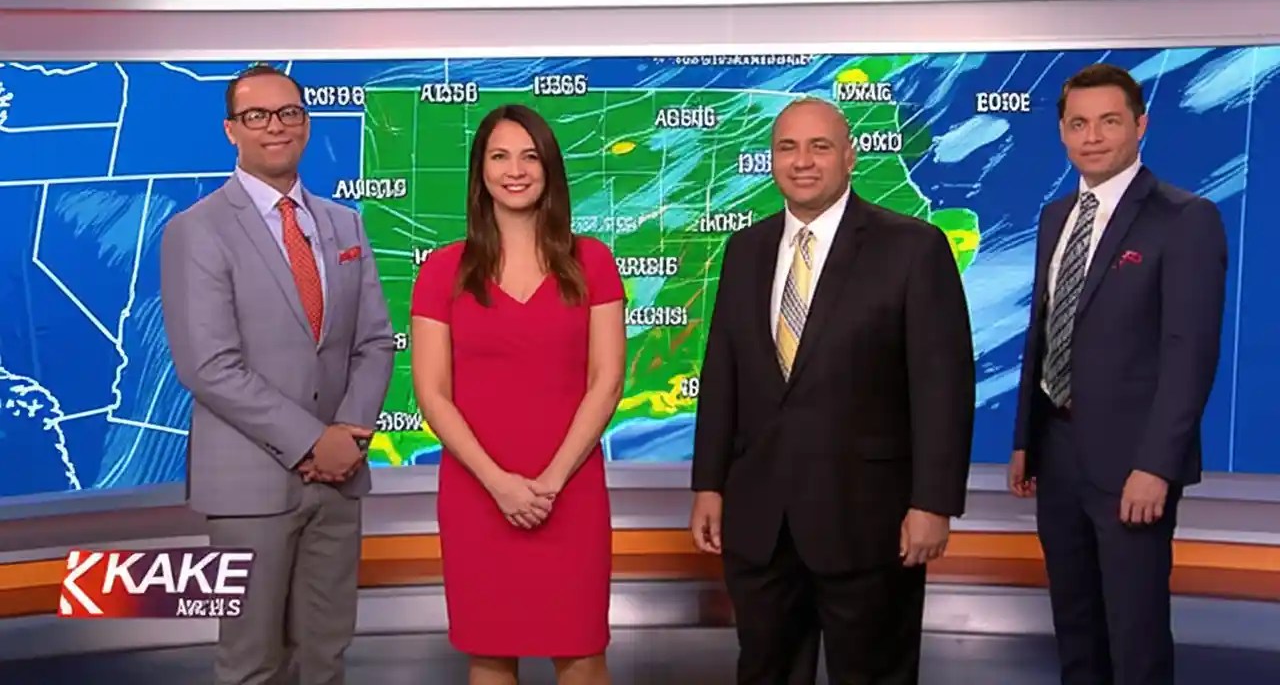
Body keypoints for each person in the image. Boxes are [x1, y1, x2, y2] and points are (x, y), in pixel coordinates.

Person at [689, 96, 976, 684]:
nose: (802, 161)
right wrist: (708, 484)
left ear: (849, 157)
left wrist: (933, 503)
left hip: (870, 520)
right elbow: (723, 376)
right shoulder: (745, 250)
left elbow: (942, 385)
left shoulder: (913, 247)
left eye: (819, 147)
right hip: (761, 520)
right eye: (787, 147)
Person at [160, 63, 396, 685]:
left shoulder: (344, 224)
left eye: (288, 113)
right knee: (252, 662)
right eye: (257, 116)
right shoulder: (197, 231)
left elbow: (374, 340)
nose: (276, 127)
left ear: (306, 124)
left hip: (340, 478)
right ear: (230, 131)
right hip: (249, 489)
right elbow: (208, 365)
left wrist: (348, 432)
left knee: (325, 655)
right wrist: (311, 441)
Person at [1009, 63, 1227, 685]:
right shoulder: (1056, 217)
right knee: (1075, 628)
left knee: (1134, 637)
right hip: (1057, 454)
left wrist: (1157, 465)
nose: (1093, 136)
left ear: (1140, 125)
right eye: (1078, 123)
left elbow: (1190, 353)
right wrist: (1026, 438)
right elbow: (1045, 332)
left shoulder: (1184, 218)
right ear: (1061, 132)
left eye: (1108, 121)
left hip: (1134, 464)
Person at [409, 103, 625, 685]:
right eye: (499, 156)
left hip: (571, 489)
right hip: (478, 491)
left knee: (581, 650)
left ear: (549, 168)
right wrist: (500, 484)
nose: (516, 169)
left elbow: (607, 382)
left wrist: (550, 481)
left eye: (530, 156)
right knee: (491, 650)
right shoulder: (443, 270)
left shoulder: (593, 262)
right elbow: (432, 394)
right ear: (480, 171)